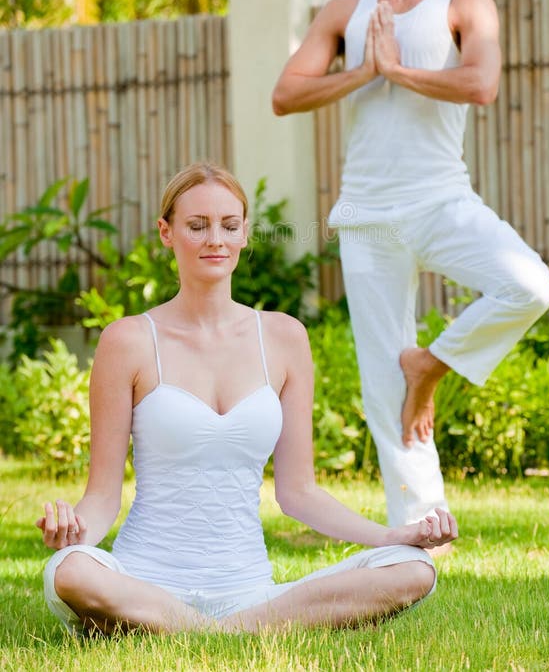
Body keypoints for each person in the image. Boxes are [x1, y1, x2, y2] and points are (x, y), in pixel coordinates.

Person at [37, 161, 457, 636]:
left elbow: (299, 494)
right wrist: (74, 535)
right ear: (166, 233)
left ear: (244, 235)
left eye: (228, 226)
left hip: (250, 591)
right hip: (142, 582)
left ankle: (205, 629)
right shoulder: (128, 340)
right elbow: (103, 496)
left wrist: (392, 536)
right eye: (197, 226)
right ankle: (225, 629)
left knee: (414, 568)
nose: (215, 239)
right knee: (70, 571)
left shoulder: (283, 337)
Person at [271, 0, 549, 527]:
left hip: (441, 202)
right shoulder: (345, 12)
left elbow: (479, 83)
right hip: (368, 215)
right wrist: (364, 71)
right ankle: (422, 528)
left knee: (530, 286)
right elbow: (286, 94)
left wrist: (397, 70)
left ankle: (430, 364)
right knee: (379, 384)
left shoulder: (465, 4)